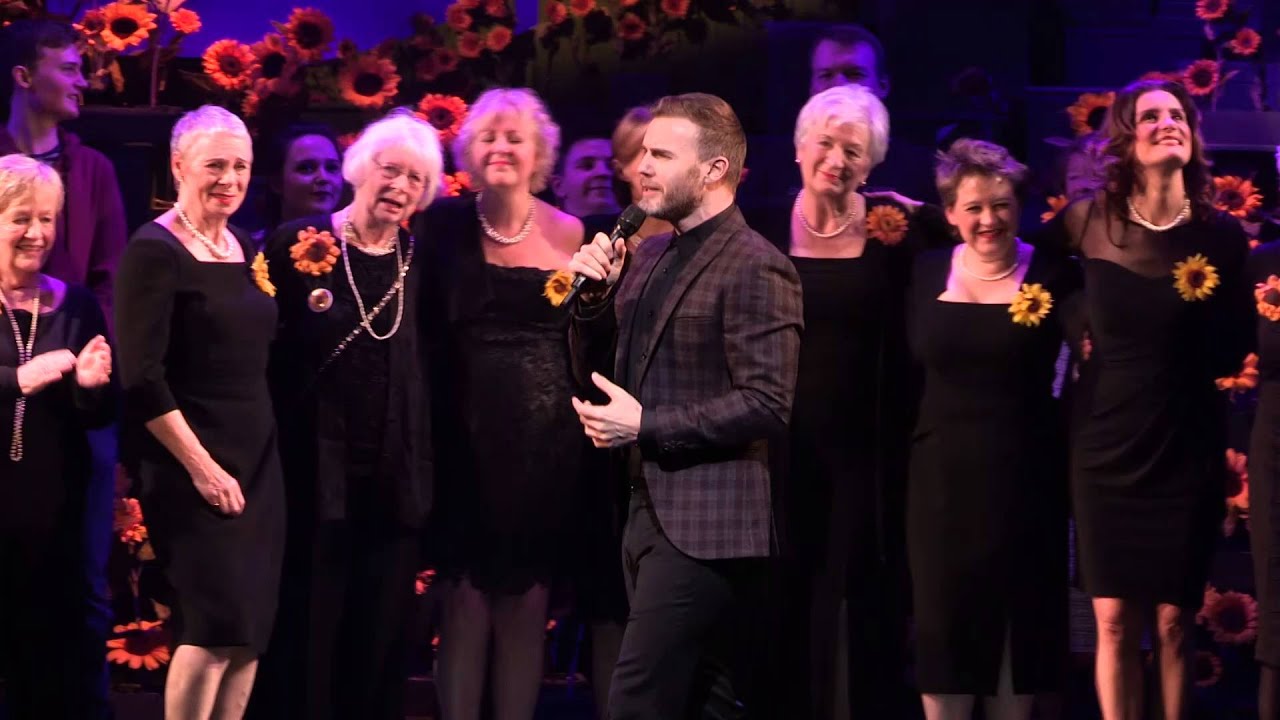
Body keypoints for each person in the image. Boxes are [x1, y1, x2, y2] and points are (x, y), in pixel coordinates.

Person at [567, 92, 803, 719]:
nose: (641, 166)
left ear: (713, 170)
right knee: (708, 701)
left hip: (710, 528)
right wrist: (593, 302)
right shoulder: (648, 255)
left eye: (662, 155)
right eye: (644, 152)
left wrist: (648, 426)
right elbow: (603, 378)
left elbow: (767, 403)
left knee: (635, 701)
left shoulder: (757, 266)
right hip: (644, 512)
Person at [1049, 79, 1252, 720]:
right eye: (1151, 116)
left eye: (1178, 114)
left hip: (1183, 442)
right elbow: (1038, 285)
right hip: (1105, 444)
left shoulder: (1220, 236)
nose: (1168, 123)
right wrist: (1077, 317)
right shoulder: (1089, 220)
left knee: (1171, 622)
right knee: (1111, 620)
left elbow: (1233, 345)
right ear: (1127, 140)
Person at [754, 83, 947, 720]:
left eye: (854, 151)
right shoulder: (757, 223)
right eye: (826, 144)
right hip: (775, 449)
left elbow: (971, 218)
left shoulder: (894, 232)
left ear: (873, 164)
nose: (836, 160)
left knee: (866, 600)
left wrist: (917, 208)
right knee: (781, 601)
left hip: (866, 452)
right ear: (799, 146)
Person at [249, 110, 441, 719]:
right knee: (306, 632)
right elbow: (257, 352)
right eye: (390, 169)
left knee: (379, 639)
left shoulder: (420, 259)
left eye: (415, 177)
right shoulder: (299, 243)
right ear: (361, 168)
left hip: (391, 481)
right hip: (311, 478)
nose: (400, 186)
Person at [415, 86, 588, 720]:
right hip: (463, 441)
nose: (501, 147)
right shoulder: (443, 225)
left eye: (515, 136)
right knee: (464, 600)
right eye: (488, 136)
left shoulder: (573, 231)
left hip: (545, 450)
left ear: (540, 151)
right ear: (469, 148)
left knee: (527, 604)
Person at [115, 105, 283, 720]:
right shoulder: (154, 250)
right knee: (209, 626)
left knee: (247, 632)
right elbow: (142, 378)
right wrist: (203, 469)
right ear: (178, 164)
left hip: (258, 461)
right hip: (193, 464)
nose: (230, 178)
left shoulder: (241, 243)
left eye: (241, 166)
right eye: (215, 164)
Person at [908, 139, 1078, 720]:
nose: (989, 219)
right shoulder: (923, 271)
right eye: (974, 207)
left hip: (1026, 489)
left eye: (1002, 204)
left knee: (1018, 639)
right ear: (950, 212)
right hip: (938, 492)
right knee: (945, 632)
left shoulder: (1054, 273)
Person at [0, 21, 127, 716]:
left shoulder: (94, 171)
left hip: (74, 382)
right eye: (69, 67)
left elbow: (109, 278)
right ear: (24, 76)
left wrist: (85, 352)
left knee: (78, 582)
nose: (84, 80)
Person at [248, 123, 343, 246]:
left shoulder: (355, 248)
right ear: (277, 182)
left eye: (332, 168)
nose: (323, 178)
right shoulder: (249, 250)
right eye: (306, 168)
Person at [609, 106, 673, 246]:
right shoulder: (598, 235)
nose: (657, 167)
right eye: (646, 153)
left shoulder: (698, 239)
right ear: (621, 171)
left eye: (665, 155)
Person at [553, 136, 619, 219]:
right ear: (559, 186)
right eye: (587, 165)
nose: (603, 172)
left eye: (611, 166)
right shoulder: (541, 230)